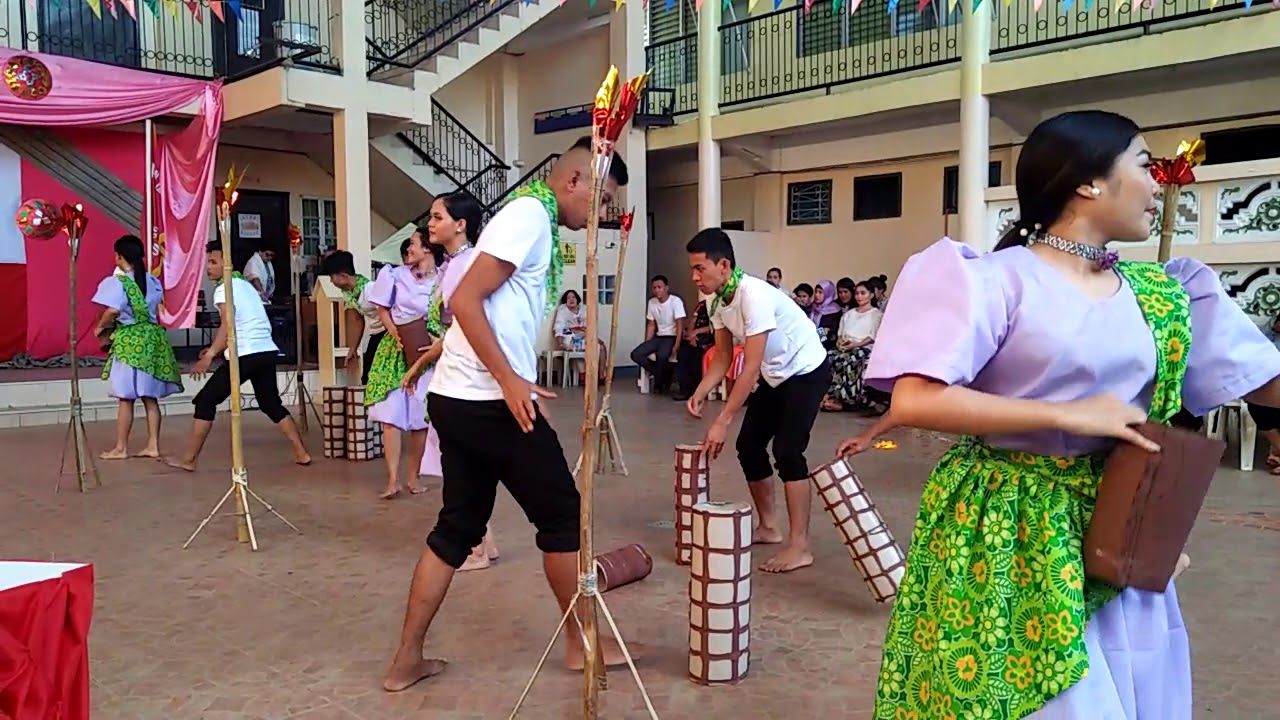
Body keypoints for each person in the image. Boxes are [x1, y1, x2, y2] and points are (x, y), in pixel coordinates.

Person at [855, 110, 1280, 720]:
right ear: (1088, 182)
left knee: (1127, 681)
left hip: (1119, 525)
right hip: (1003, 527)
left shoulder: (1166, 292)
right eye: (1142, 164)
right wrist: (1070, 413)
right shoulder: (992, 280)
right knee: (1028, 695)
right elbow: (916, 399)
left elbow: (1262, 384)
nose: (1159, 183)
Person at [383, 136, 633, 693]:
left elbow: (482, 313)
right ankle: (581, 644)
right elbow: (464, 302)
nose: (603, 214)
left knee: (458, 527)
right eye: (603, 200)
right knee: (564, 519)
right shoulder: (528, 215)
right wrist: (509, 379)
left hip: (457, 397)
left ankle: (406, 660)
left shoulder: (530, 218)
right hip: (489, 402)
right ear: (576, 182)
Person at [685, 228, 831, 574]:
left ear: (723, 265)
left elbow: (749, 368)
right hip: (776, 374)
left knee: (788, 451)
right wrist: (701, 390)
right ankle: (768, 526)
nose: (694, 277)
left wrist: (722, 420)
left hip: (807, 369)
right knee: (749, 446)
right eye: (692, 269)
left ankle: (800, 546)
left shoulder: (754, 295)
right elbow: (722, 357)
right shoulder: (715, 299)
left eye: (699, 268)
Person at [401, 191, 500, 571]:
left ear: (460, 224)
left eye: (438, 217)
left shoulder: (469, 264)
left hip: (467, 377)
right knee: (464, 461)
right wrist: (421, 363)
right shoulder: (453, 265)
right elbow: (455, 330)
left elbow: (472, 326)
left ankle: (473, 546)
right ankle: (484, 542)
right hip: (453, 370)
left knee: (465, 464)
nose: (431, 223)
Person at [164, 242, 311, 471]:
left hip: (246, 353)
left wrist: (210, 355)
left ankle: (189, 460)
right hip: (265, 350)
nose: (209, 268)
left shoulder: (224, 288)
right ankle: (302, 453)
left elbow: (228, 324)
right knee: (271, 403)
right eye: (208, 263)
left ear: (228, 263)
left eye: (214, 262)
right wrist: (217, 348)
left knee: (205, 401)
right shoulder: (245, 285)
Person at [91, 235, 183, 459]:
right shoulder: (151, 281)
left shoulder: (118, 282)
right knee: (149, 397)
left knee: (126, 397)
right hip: (152, 339)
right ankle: (153, 445)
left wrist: (100, 327)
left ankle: (121, 448)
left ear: (118, 256)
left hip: (130, 341)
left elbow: (113, 310)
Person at [365, 232, 441, 499]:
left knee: (420, 418)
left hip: (426, 351)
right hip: (394, 350)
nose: (408, 248)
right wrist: (393, 331)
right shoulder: (394, 275)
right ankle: (392, 479)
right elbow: (382, 307)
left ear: (428, 249)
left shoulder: (443, 277)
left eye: (413, 244)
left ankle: (413, 477)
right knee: (391, 416)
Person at [318, 251, 383, 385]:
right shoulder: (347, 293)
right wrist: (353, 348)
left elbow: (389, 313)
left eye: (332, 276)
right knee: (367, 375)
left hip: (389, 333)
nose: (331, 281)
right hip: (376, 334)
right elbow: (358, 320)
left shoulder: (370, 289)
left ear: (343, 276)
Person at [820, 280, 883, 413]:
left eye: (863, 293)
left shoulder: (876, 315)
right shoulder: (849, 314)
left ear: (871, 295)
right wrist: (840, 343)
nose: (859, 296)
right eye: (857, 294)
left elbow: (872, 336)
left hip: (864, 347)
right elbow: (841, 334)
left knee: (848, 359)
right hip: (846, 346)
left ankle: (844, 399)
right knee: (830, 356)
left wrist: (856, 344)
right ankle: (828, 396)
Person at [629, 275, 685, 393]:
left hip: (672, 337)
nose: (657, 290)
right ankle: (662, 375)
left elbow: (680, 324)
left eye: (659, 287)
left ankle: (660, 384)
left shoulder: (675, 301)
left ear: (666, 288)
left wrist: (677, 344)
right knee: (636, 354)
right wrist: (647, 343)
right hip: (659, 336)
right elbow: (651, 325)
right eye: (654, 287)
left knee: (662, 356)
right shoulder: (652, 302)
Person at [552, 289, 609, 384]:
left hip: (585, 336)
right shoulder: (562, 311)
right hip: (570, 338)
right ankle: (584, 375)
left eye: (573, 297)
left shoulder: (584, 310)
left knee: (601, 347)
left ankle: (601, 375)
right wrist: (560, 340)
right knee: (582, 347)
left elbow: (590, 327)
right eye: (568, 298)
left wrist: (594, 337)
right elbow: (559, 328)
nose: (571, 299)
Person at [673, 298, 715, 400]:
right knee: (683, 353)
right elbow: (693, 320)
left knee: (697, 356)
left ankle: (697, 390)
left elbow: (715, 326)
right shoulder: (701, 305)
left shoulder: (718, 305)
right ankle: (685, 390)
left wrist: (696, 332)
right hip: (696, 337)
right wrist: (691, 334)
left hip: (711, 338)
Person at [808, 279, 842, 350]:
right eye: (816, 292)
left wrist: (812, 334)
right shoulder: (813, 307)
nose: (817, 295)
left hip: (826, 345)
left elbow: (828, 331)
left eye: (820, 292)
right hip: (810, 342)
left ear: (828, 293)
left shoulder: (834, 310)